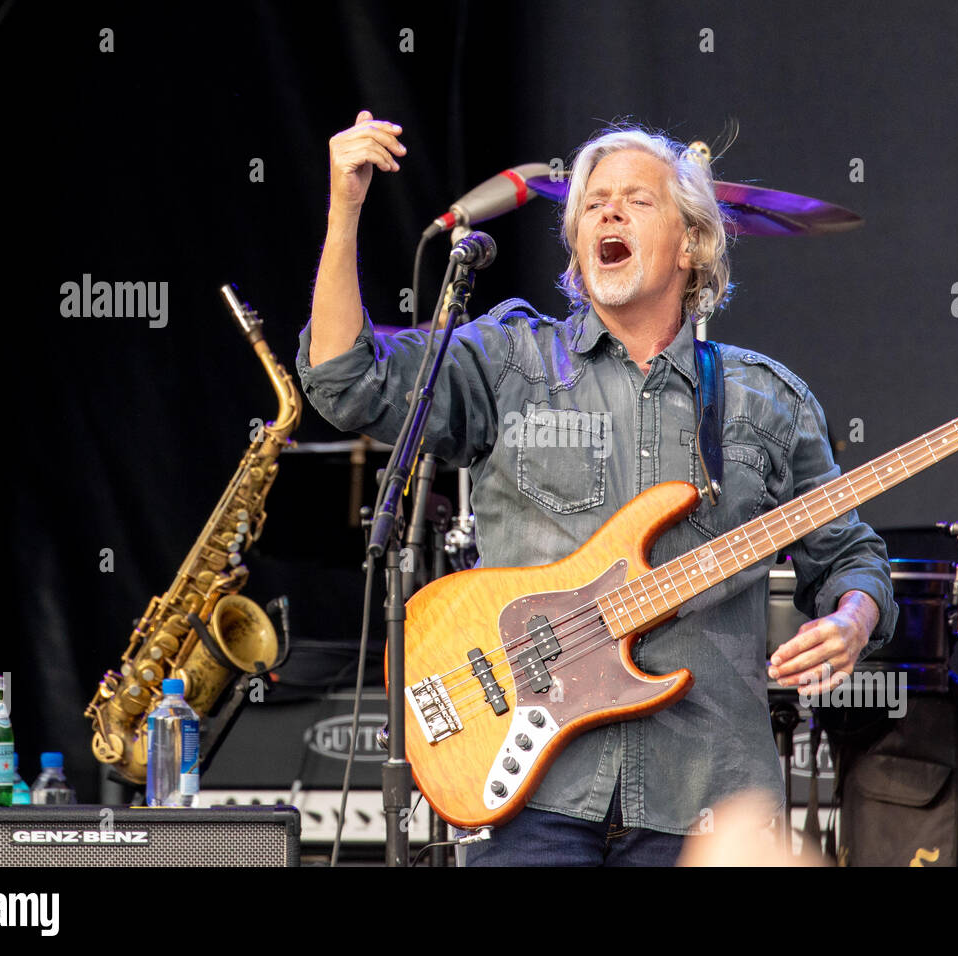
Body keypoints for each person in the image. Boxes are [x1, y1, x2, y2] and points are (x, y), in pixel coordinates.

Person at [298, 110, 899, 866]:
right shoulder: (510, 360)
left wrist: (851, 617)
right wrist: (345, 208)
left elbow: (851, 556)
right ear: (579, 251)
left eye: (637, 201)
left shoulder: (765, 399)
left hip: (704, 798)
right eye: (593, 203)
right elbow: (345, 382)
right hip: (531, 792)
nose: (608, 211)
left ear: (691, 244)